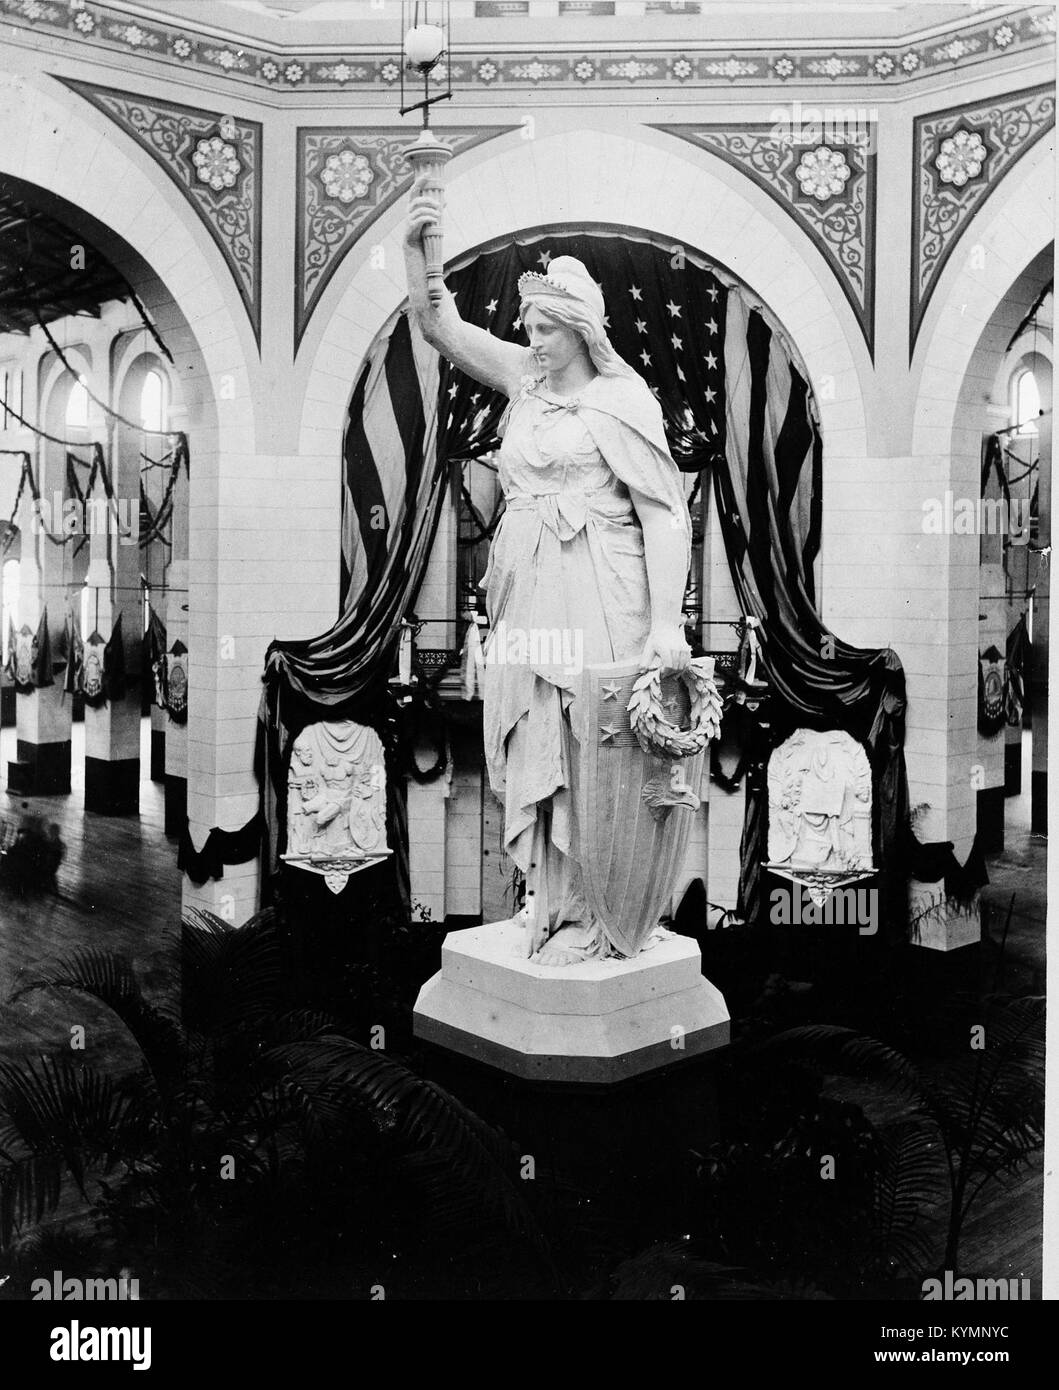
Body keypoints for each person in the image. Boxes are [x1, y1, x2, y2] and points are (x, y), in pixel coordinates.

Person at [404, 182, 692, 966]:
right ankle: (549, 902)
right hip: (527, 579)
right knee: (535, 727)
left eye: (542, 327)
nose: (528, 337)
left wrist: (667, 620)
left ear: (579, 329)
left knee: (590, 736)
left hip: (601, 581)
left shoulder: (621, 399)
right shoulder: (523, 381)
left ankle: (597, 917)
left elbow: (665, 511)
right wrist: (420, 257)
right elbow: (440, 326)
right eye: (525, 324)